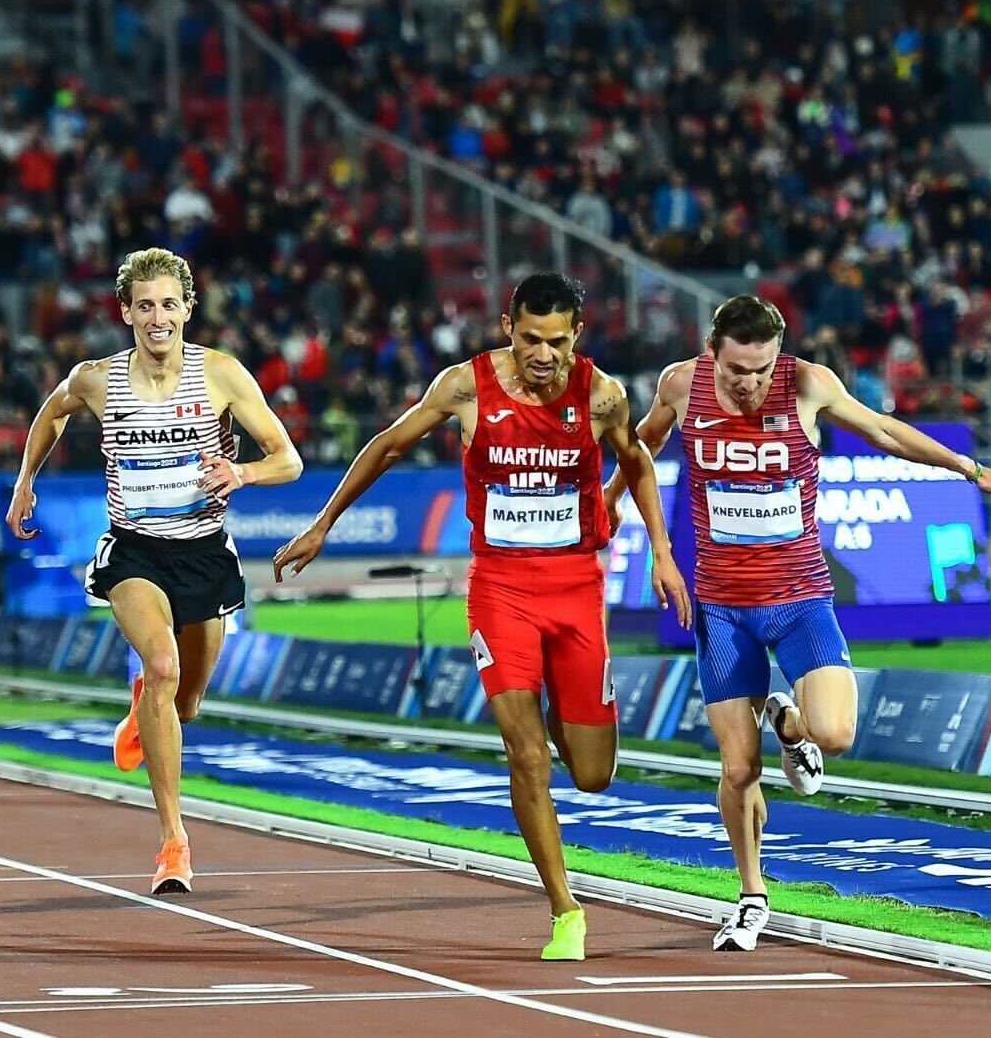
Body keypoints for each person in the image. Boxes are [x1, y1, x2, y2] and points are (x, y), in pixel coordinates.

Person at [273, 272, 688, 962]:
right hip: (500, 591)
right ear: (507, 329)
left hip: (576, 591)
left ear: (576, 336)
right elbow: (389, 444)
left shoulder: (602, 394)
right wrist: (323, 524)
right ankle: (566, 910)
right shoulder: (465, 387)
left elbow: (637, 461)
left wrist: (663, 553)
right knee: (527, 755)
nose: (543, 355)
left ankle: (561, 706)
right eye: (530, 339)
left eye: (557, 342)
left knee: (592, 774)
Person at [603, 294, 991, 952]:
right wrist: (616, 503)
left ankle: (790, 723)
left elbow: (884, 432)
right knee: (738, 769)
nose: (748, 384)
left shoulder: (807, 384)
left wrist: (970, 469)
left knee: (833, 733)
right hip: (721, 607)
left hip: (801, 598)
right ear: (712, 352)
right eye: (735, 370)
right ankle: (751, 896)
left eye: (760, 370)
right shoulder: (681, 384)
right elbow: (644, 443)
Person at [6, 247, 302, 896]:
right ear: (126, 313)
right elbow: (51, 413)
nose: (157, 317)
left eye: (169, 304)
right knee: (163, 668)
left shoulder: (221, 374)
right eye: (145, 306)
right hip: (134, 552)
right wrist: (26, 480)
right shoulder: (96, 379)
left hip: (204, 554)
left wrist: (242, 471)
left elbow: (288, 459)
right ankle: (174, 841)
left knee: (184, 704)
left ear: (188, 309)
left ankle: (143, 708)